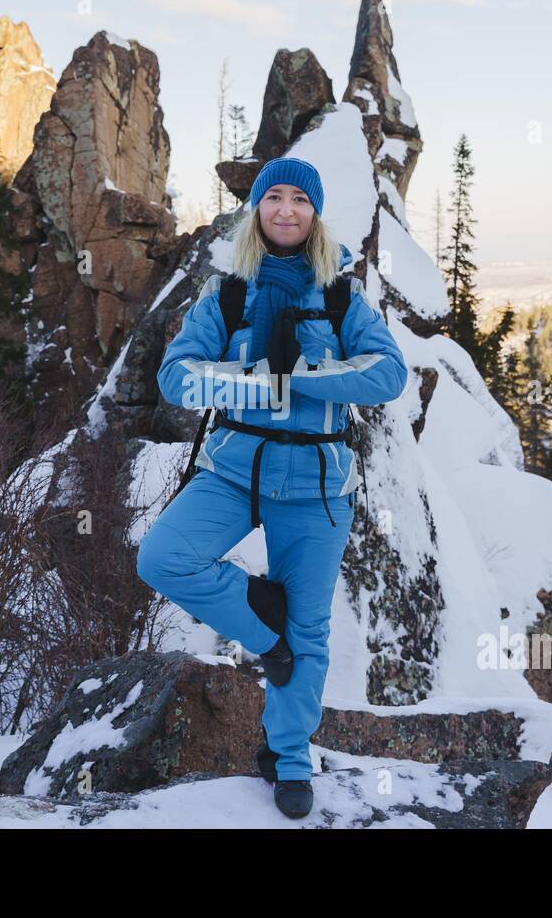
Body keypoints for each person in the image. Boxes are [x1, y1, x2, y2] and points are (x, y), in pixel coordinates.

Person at [135, 156, 408, 819]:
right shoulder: (226, 294)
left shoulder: (340, 296)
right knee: (163, 558)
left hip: (317, 486)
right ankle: (266, 628)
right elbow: (177, 379)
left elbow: (387, 375)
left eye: (300, 200)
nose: (286, 209)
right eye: (274, 197)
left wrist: (306, 376)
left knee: (311, 632)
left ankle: (288, 759)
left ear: (314, 213)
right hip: (232, 473)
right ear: (256, 209)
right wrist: (257, 380)